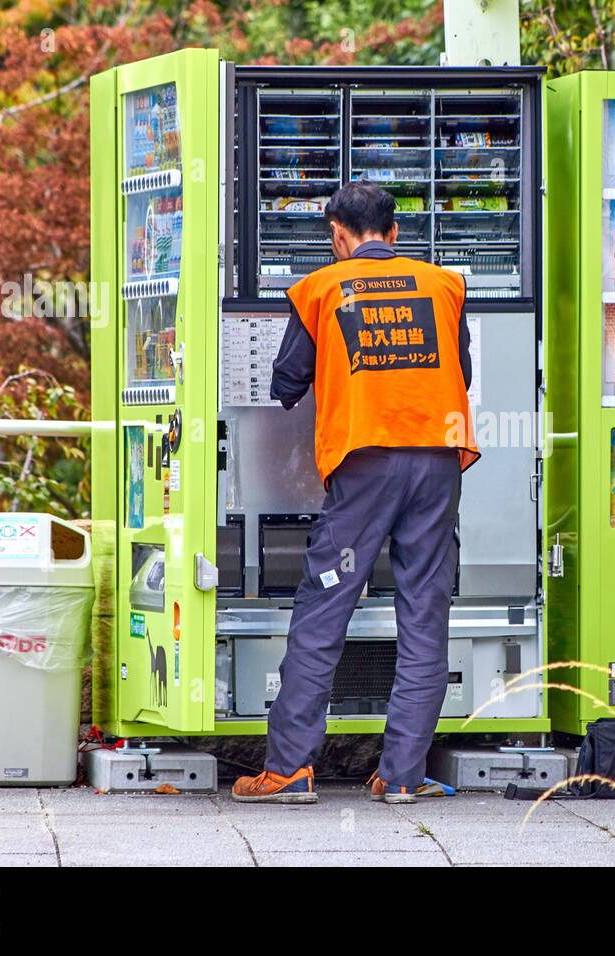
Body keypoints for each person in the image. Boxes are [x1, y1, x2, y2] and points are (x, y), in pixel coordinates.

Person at [232, 182, 479, 805]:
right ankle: (400, 776)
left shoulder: (320, 289)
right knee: (424, 612)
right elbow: (462, 373)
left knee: (324, 607)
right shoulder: (445, 286)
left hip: (364, 464)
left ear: (337, 236)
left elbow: (286, 382)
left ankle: (289, 768)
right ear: (394, 233)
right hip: (438, 462)